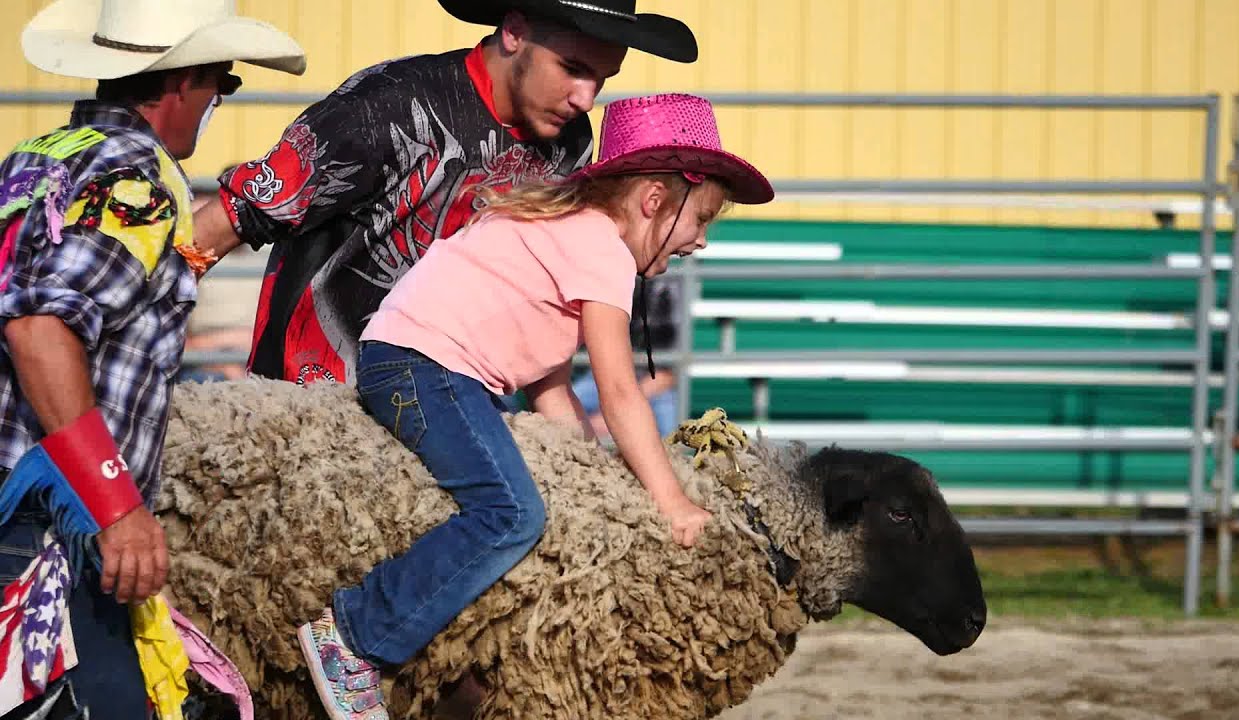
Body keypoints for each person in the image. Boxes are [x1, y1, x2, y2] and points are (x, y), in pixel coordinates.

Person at [293, 92, 774, 720]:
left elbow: (551, 388)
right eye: (701, 218)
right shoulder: (601, 248)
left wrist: (599, 477)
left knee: (527, 499)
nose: (700, 241)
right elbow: (619, 391)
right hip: (427, 368)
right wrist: (671, 502)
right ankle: (354, 636)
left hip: (417, 363)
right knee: (511, 513)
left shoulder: (561, 234)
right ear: (654, 201)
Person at [0, 1, 304, 717]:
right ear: (184, 82)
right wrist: (117, 505)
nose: (216, 103)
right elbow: (42, 328)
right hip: (46, 529)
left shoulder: (40, 159)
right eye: (221, 84)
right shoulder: (135, 180)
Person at [190, 0, 699, 387]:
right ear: (515, 32)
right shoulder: (386, 106)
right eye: (572, 68)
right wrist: (127, 323)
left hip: (455, 408)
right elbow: (235, 216)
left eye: (602, 79)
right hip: (320, 401)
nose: (585, 98)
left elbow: (536, 292)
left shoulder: (570, 146)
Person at [573, 274, 683, 438]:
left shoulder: (675, 292)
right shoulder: (611, 278)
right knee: (565, 409)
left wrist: (611, 415)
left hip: (652, 384)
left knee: (670, 429)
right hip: (604, 375)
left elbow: (667, 375)